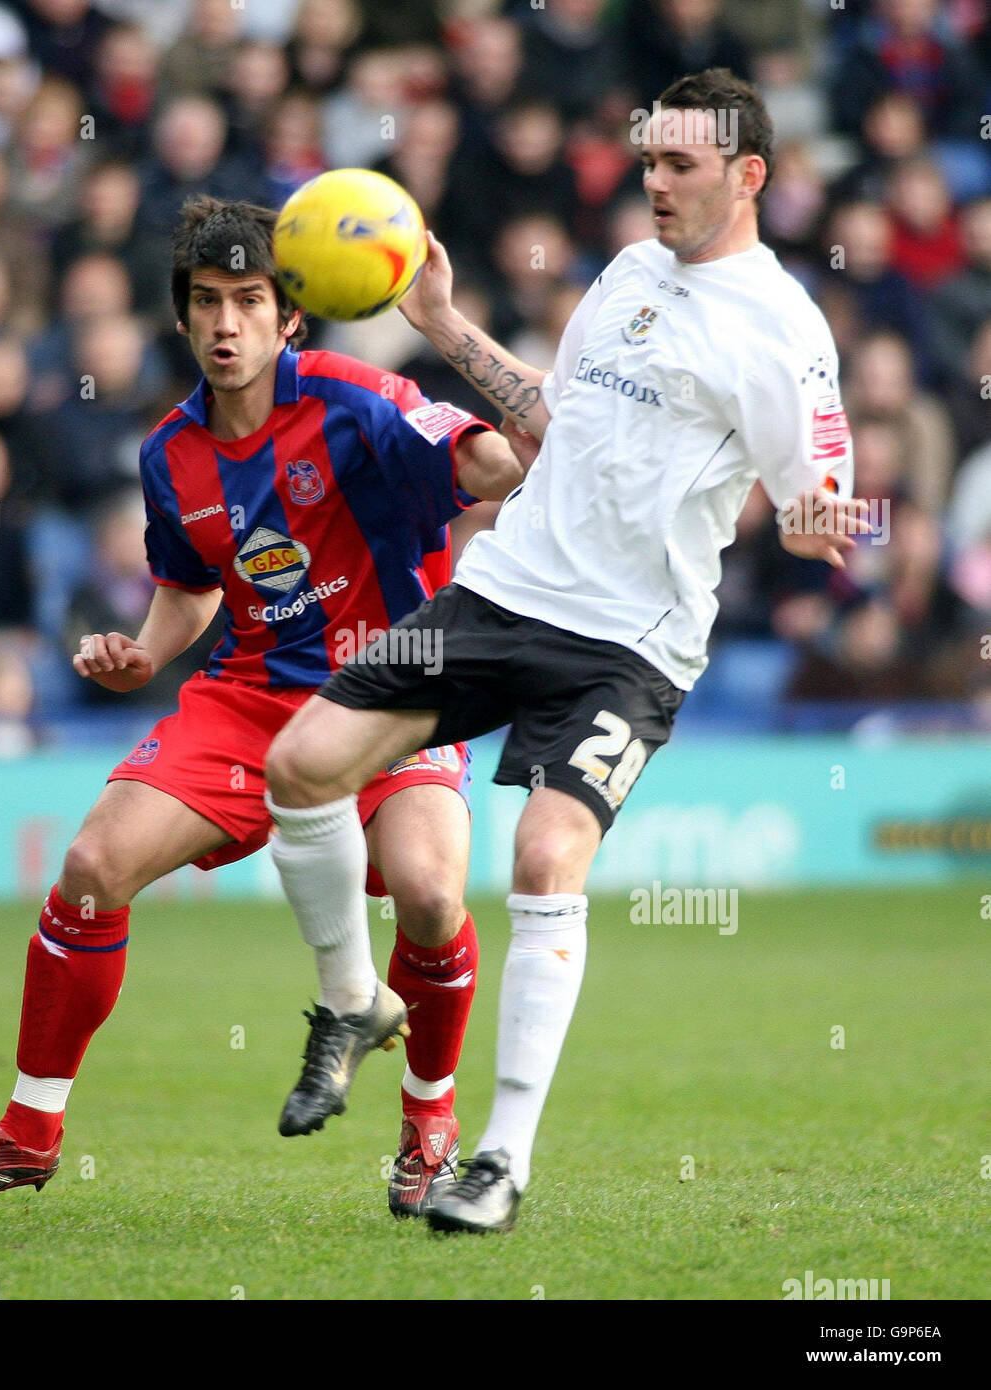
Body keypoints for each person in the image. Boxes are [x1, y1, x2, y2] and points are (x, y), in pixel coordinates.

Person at [260, 68, 868, 1233]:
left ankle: (496, 1157)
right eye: (647, 162)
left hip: (626, 647)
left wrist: (813, 514)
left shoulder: (783, 330)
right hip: (503, 594)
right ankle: (352, 997)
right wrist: (438, 321)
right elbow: (548, 421)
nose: (654, 184)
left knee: (543, 861)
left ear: (746, 176)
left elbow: (815, 491)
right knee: (302, 764)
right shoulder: (628, 273)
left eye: (679, 166)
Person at [0, 195, 527, 1224]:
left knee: (426, 892)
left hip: (390, 696)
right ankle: (27, 1132)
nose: (226, 323)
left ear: (290, 315)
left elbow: (500, 464)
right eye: (206, 302)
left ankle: (428, 1120)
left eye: (249, 300)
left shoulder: (358, 402)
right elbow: (195, 581)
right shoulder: (170, 454)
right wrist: (143, 651)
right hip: (249, 701)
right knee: (92, 869)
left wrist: (444, 328)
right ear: (183, 316)